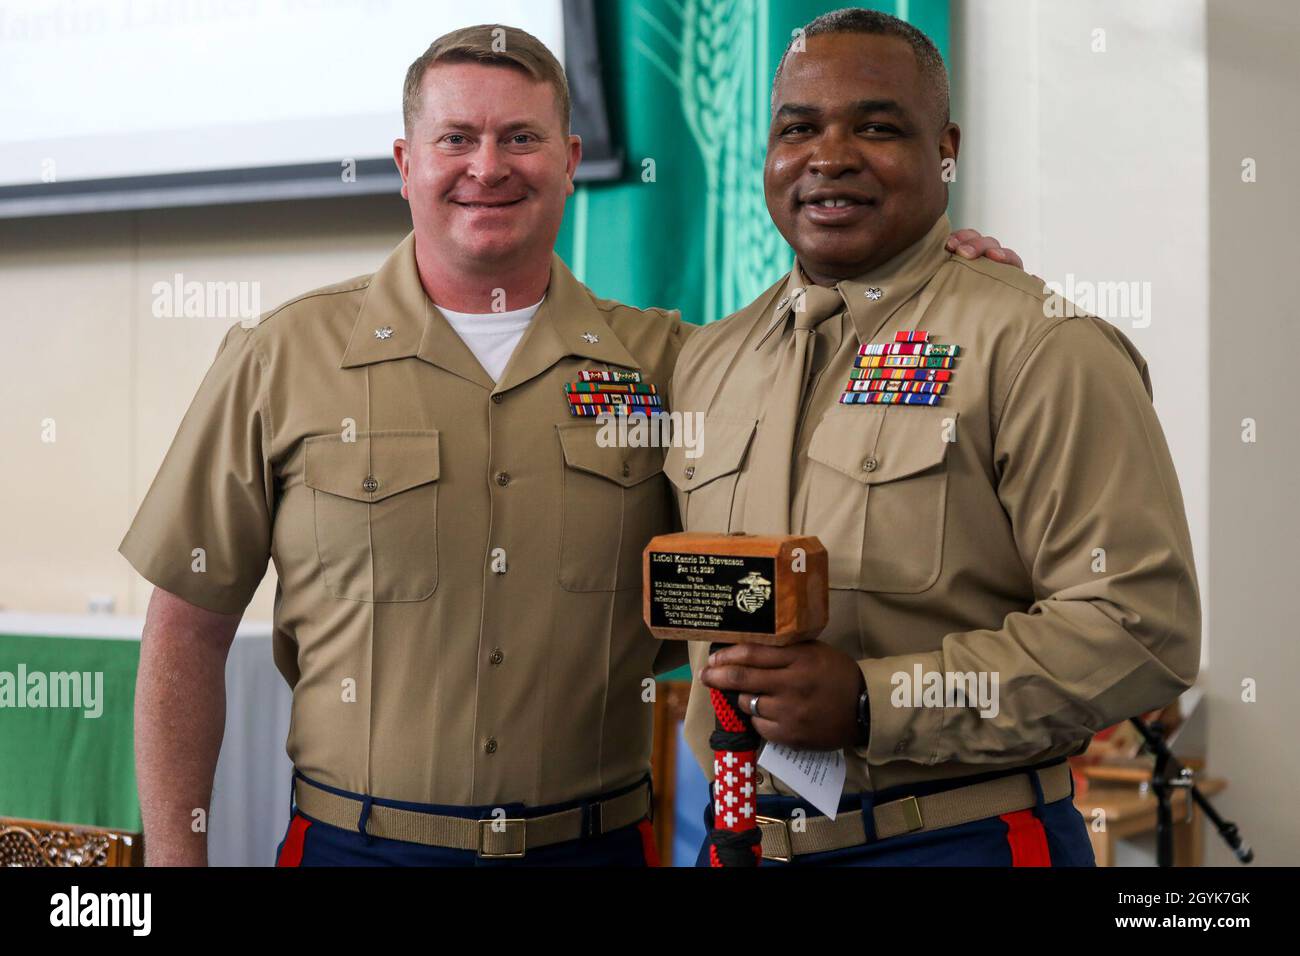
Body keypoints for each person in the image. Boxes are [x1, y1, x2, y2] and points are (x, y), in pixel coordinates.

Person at [121, 21, 1017, 866]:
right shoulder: (280, 358)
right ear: (404, 163)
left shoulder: (682, 363)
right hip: (357, 846)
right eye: (456, 139)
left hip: (597, 847)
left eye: (521, 138)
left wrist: (935, 279)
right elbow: (186, 636)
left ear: (570, 161)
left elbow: (829, 382)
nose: (488, 167)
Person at [666, 8, 1200, 866]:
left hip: (956, 840)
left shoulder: (1036, 344)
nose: (829, 156)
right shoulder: (709, 362)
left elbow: (1140, 627)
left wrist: (877, 701)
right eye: (798, 128)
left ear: (945, 149)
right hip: (738, 841)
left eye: (876, 127)